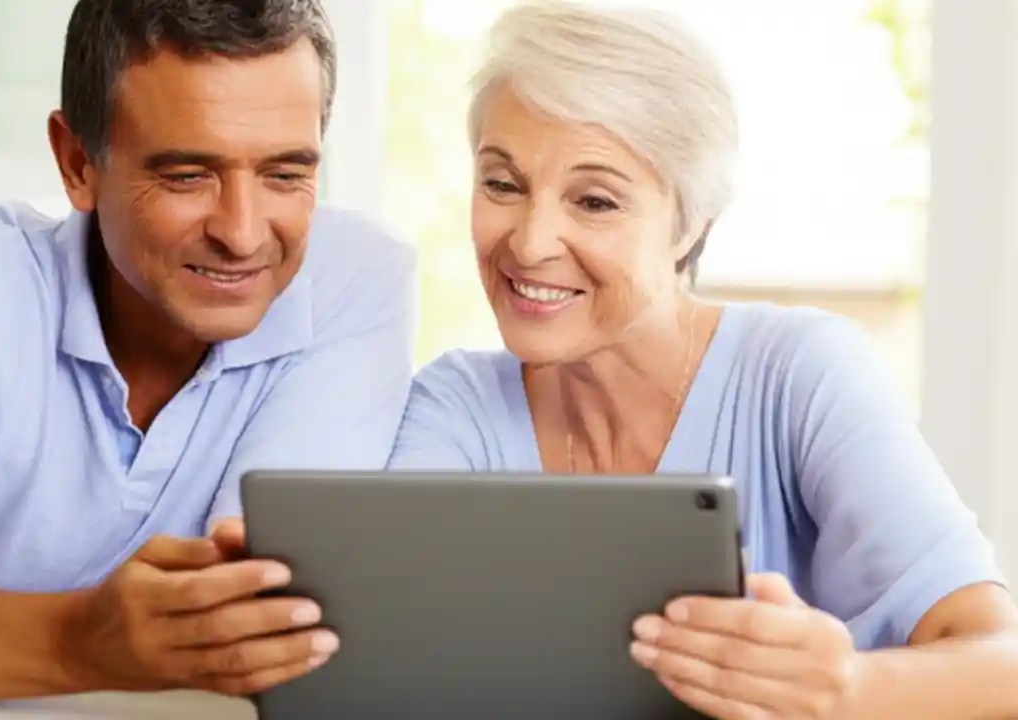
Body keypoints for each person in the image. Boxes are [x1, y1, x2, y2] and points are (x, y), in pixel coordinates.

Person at [0, 0, 415, 703]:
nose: (243, 235)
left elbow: (257, 607)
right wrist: (77, 637)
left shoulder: (354, 280)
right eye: (187, 175)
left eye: (285, 174)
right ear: (76, 162)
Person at [388, 2, 1018, 717]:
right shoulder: (455, 407)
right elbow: (391, 655)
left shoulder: (798, 373)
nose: (530, 243)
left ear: (689, 224)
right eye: (503, 184)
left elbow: (1002, 664)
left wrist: (846, 689)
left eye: (594, 201)